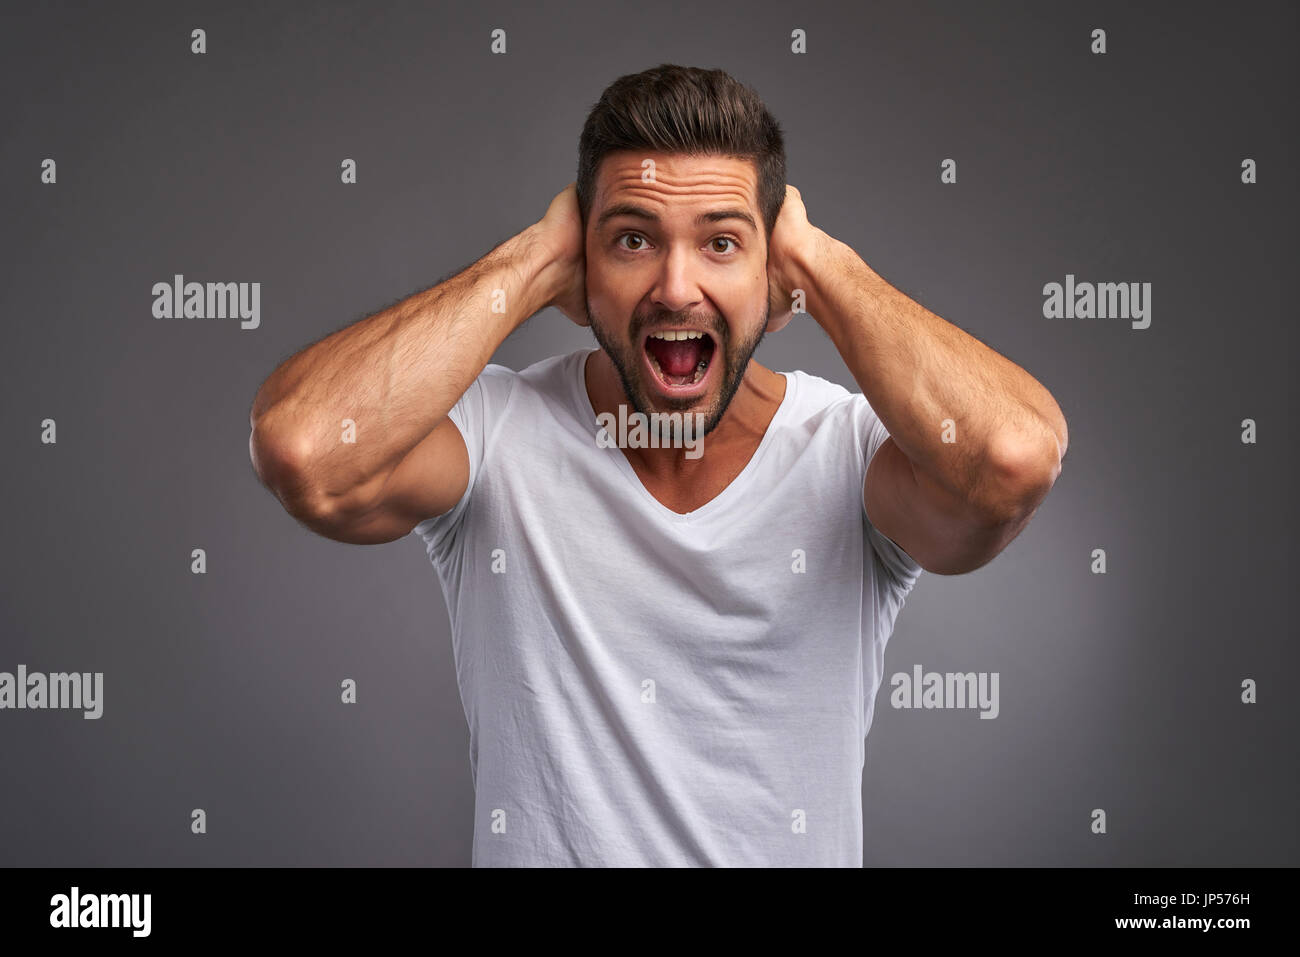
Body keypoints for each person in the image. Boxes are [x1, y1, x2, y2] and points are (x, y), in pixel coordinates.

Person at [248, 64, 1068, 866]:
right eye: (633, 239)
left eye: (722, 243)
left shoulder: (848, 452)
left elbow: (1011, 459)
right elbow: (304, 450)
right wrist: (528, 262)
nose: (677, 288)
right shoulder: (496, 434)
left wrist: (824, 264)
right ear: (585, 268)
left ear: (771, 272)